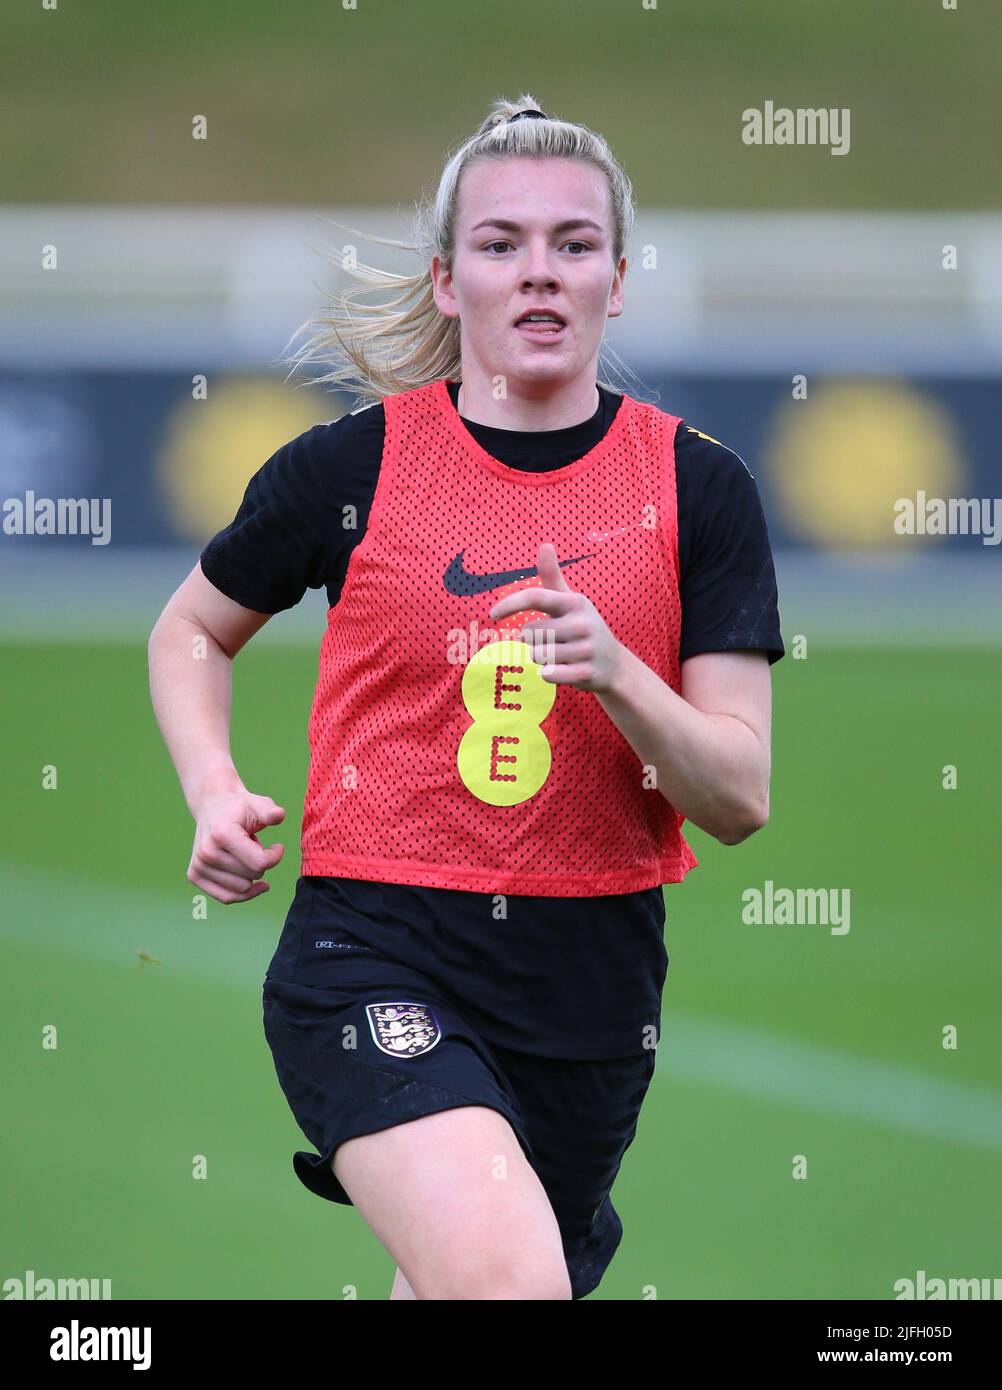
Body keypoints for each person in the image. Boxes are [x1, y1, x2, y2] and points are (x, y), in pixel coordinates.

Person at [148, 94, 784, 1301]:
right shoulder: (352, 466)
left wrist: (620, 674)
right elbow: (191, 630)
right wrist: (212, 786)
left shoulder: (700, 489)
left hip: (592, 988)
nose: (538, 273)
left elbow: (739, 794)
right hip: (373, 948)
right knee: (506, 1284)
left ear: (619, 278)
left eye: (573, 243)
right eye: (501, 245)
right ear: (448, 282)